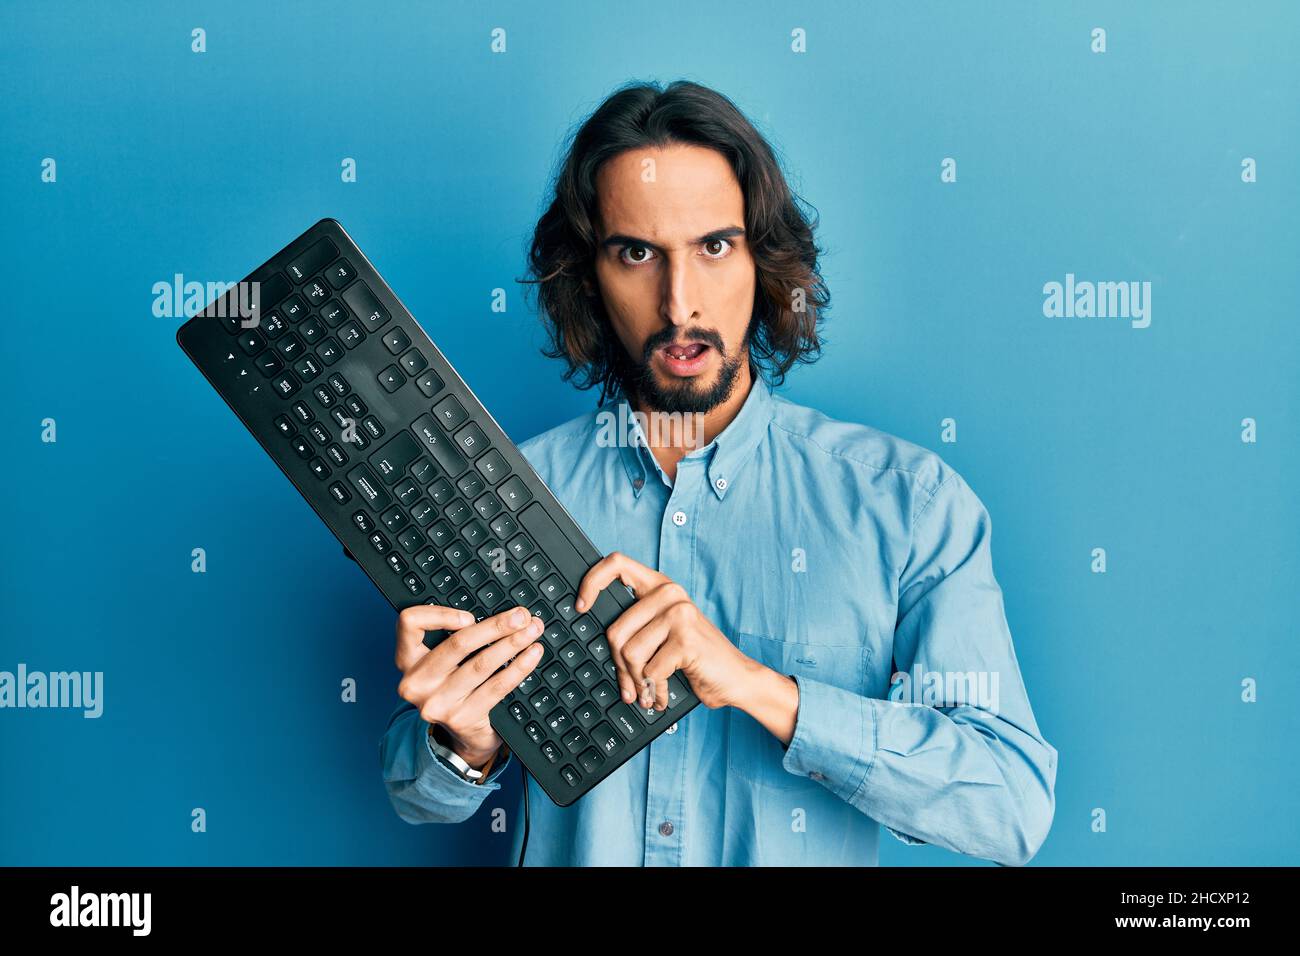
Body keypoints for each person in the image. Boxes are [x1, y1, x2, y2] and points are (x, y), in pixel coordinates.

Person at [379, 79, 1057, 866]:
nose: (679, 303)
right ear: (588, 275)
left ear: (762, 258)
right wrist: (463, 738)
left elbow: (1009, 806)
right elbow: (415, 794)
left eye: (714, 246)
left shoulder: (906, 503)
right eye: (636, 253)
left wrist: (755, 686)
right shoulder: (505, 489)